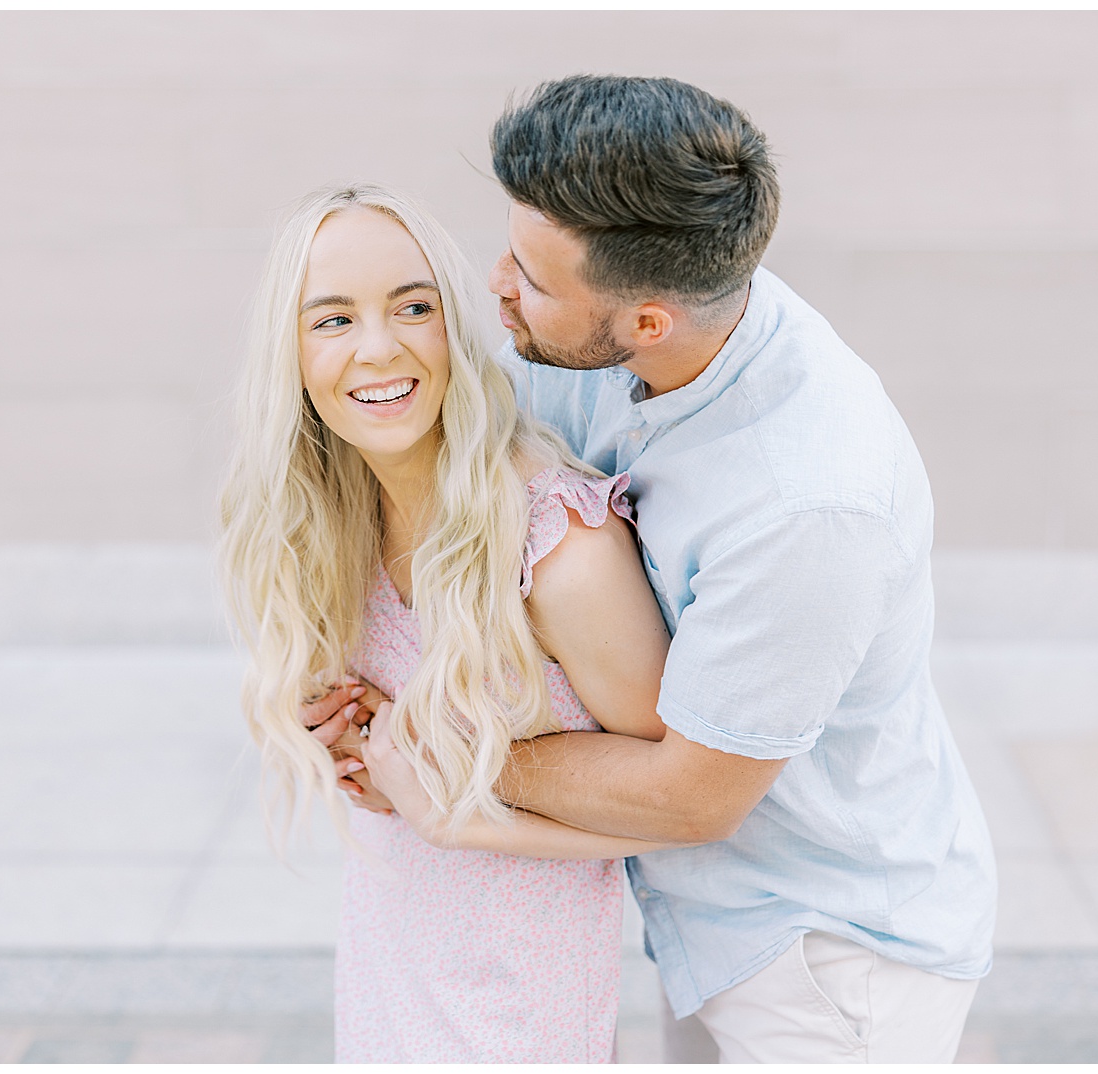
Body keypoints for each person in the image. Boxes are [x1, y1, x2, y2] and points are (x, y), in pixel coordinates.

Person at [393, 74, 998, 1064]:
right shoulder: (634, 312)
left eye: (535, 280)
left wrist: (436, 748)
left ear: (648, 323)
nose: (495, 283)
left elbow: (691, 798)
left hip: (833, 963)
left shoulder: (808, 502)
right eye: (510, 248)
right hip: (714, 917)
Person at [218, 183, 685, 1063]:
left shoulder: (554, 542)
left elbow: (679, 805)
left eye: (413, 306)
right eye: (332, 320)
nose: (379, 348)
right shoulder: (342, 519)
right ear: (291, 353)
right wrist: (356, 737)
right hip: (388, 970)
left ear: (452, 328)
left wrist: (453, 812)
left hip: (516, 1018)